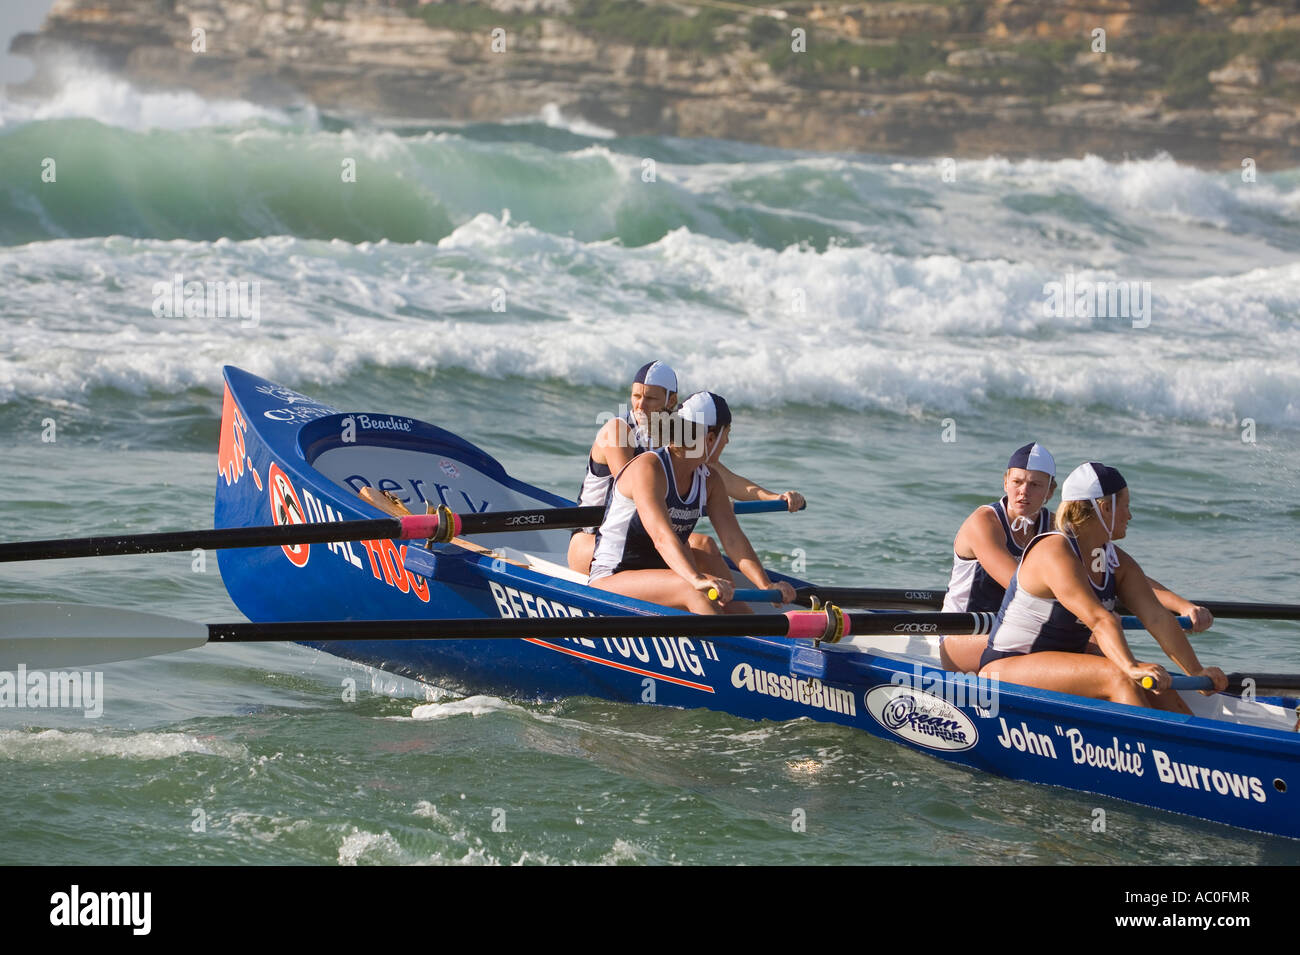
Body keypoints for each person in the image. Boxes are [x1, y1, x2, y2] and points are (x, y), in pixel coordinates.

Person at [976, 462, 1227, 711]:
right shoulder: (1054, 551)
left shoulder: (1117, 561)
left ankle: (1189, 746)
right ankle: (1153, 747)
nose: (1130, 515)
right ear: (1106, 508)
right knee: (1119, 675)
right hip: (1005, 668)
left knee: (1154, 684)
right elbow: (1099, 619)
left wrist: (1196, 672)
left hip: (1062, 665)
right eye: (1126, 506)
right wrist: (1130, 667)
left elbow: (1157, 617)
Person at [567, 361, 805, 573]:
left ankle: (740, 611)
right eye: (635, 396)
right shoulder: (618, 431)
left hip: (644, 541)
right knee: (689, 551)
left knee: (706, 545)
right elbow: (634, 498)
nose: (640, 406)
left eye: (650, 398)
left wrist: (773, 497)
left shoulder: (676, 435)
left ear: (671, 401)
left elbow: (724, 478)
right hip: (592, 543)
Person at [587, 392, 796, 614]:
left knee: (726, 599)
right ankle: (729, 646)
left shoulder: (710, 480)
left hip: (659, 577)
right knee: (696, 589)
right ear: (710, 439)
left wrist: (766, 585)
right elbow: (661, 537)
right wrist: (696, 579)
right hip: (611, 578)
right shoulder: (649, 468)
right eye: (727, 434)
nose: (728, 442)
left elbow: (733, 539)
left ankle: (760, 642)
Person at [939, 443, 1058, 672]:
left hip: (1015, 632)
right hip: (962, 638)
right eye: (1017, 482)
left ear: (1050, 492)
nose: (1024, 491)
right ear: (1005, 482)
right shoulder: (984, 522)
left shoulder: (1053, 527)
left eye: (1034, 485)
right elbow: (1020, 587)